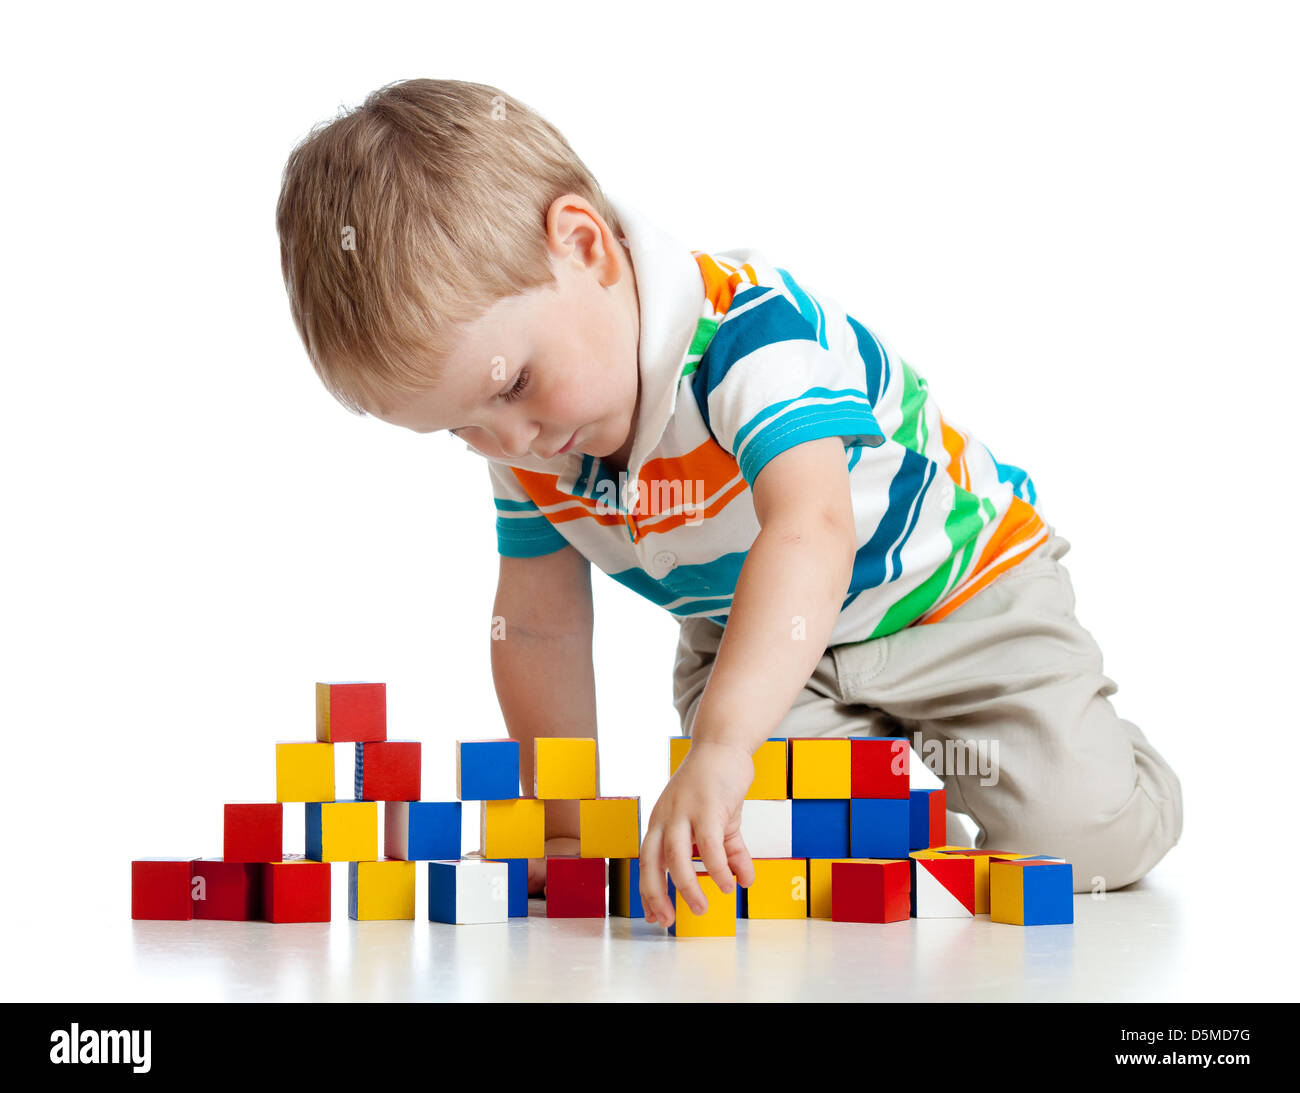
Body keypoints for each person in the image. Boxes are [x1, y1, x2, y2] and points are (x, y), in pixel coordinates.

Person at [276, 78, 1183, 929]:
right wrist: (563, 820)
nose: (508, 444)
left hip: (958, 597)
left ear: (584, 245)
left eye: (511, 385)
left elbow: (813, 527)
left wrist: (718, 744)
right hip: (762, 647)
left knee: (1082, 842)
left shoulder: (748, 337)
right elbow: (540, 624)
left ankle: (1095, 760)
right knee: (779, 862)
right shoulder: (529, 442)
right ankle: (912, 788)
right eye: (459, 430)